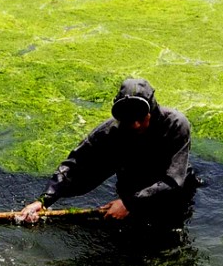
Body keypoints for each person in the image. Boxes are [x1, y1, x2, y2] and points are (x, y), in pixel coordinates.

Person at [18, 78, 199, 225]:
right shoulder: (109, 131)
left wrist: (129, 204)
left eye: (140, 118)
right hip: (131, 192)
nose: (135, 125)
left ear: (151, 111)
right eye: (129, 120)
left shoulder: (176, 125)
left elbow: (173, 180)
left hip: (172, 195)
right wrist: (43, 201)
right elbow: (74, 164)